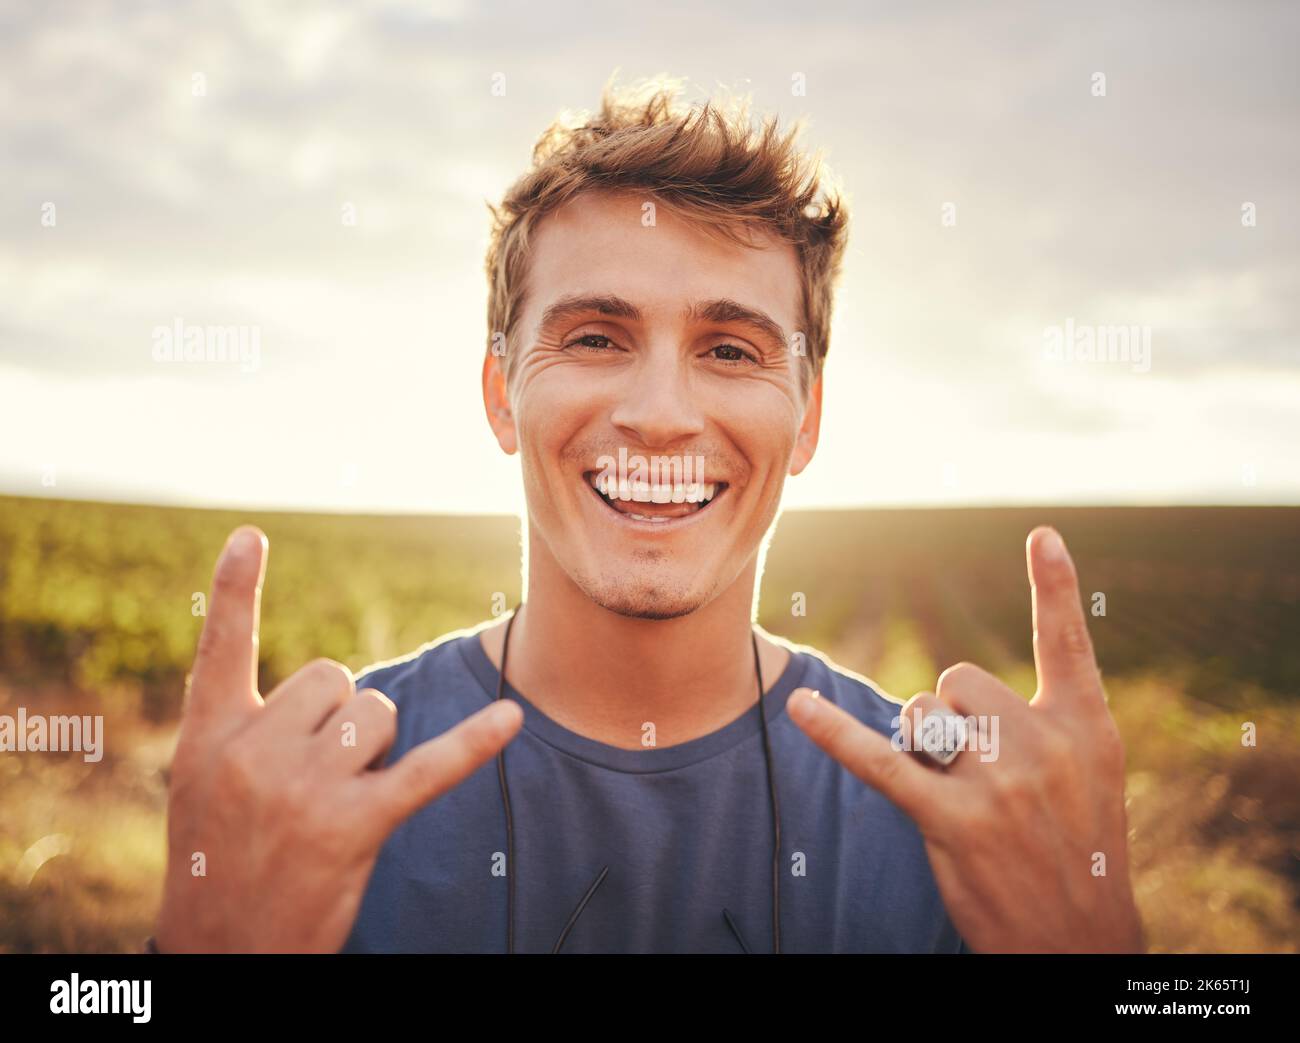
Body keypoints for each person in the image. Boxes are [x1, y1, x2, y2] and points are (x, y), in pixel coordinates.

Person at [152, 80, 1144, 954]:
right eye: (594, 335)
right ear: (502, 394)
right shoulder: (319, 793)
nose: (661, 413)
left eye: (730, 350)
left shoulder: (952, 815)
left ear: (809, 418)